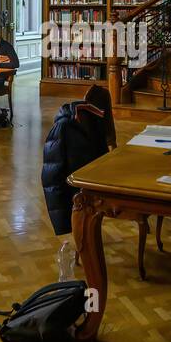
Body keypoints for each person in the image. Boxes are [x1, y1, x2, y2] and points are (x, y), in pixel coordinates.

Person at [41, 85, 115, 236]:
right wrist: (62, 223)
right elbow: (52, 177)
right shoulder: (64, 127)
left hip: (86, 189)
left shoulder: (94, 122)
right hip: (75, 195)